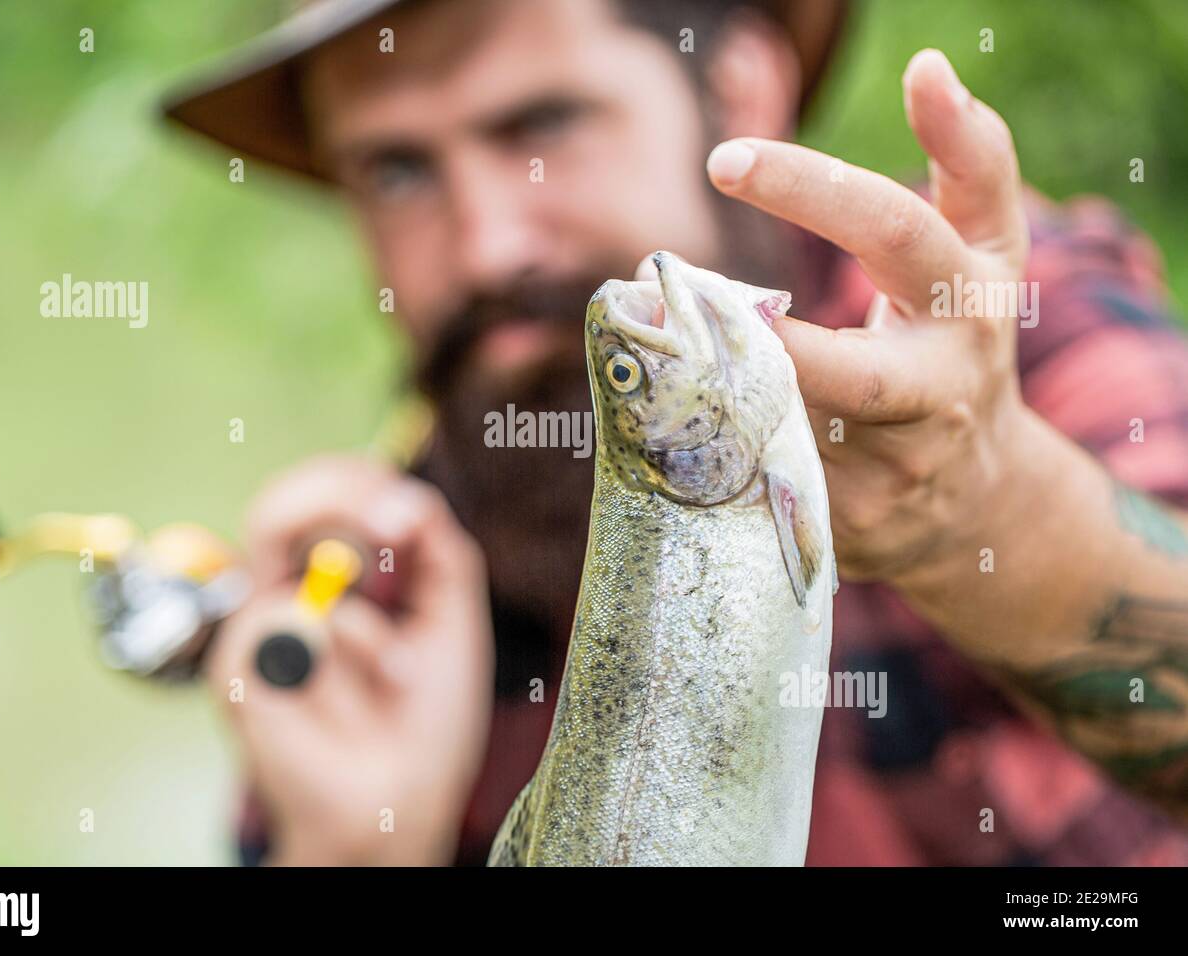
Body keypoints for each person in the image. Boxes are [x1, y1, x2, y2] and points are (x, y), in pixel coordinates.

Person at [165, 0, 1188, 865]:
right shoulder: (379, 608)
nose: (487, 245)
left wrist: (995, 503)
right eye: (395, 172)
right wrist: (360, 851)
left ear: (739, 90)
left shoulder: (1005, 330)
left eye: (541, 124)